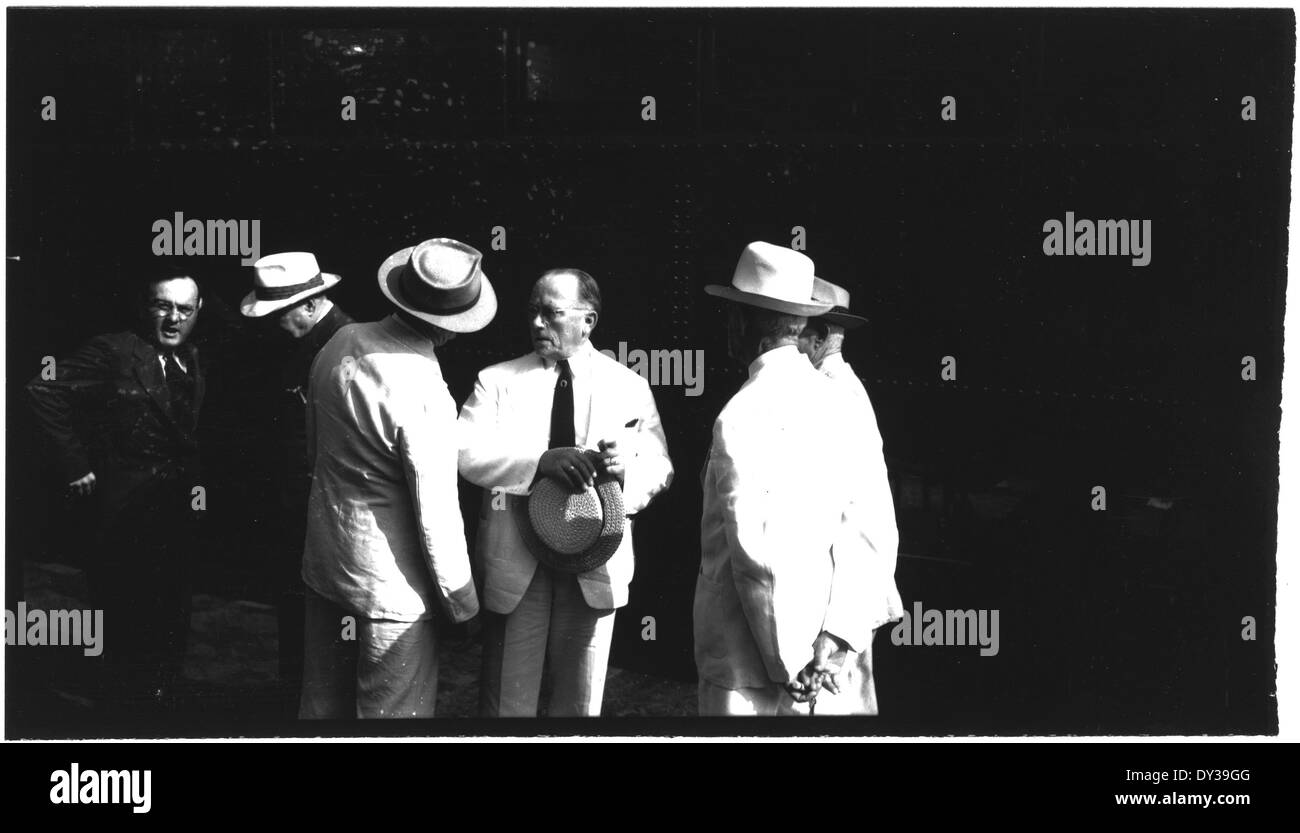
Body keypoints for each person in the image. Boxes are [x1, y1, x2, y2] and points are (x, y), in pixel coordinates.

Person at [458, 268, 674, 717]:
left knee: (580, 703)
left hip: (595, 558)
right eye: (532, 312)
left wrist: (626, 469)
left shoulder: (629, 385)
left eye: (551, 313)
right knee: (505, 705)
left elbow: (660, 467)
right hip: (518, 563)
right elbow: (463, 451)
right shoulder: (496, 380)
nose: (537, 323)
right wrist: (537, 462)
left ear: (588, 320)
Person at [298, 237, 492, 719]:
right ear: (448, 326)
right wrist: (464, 606)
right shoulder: (424, 389)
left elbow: (314, 450)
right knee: (392, 721)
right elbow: (437, 517)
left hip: (327, 564)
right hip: (392, 593)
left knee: (321, 708)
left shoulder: (340, 341)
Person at [695, 241, 882, 716]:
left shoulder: (741, 415)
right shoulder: (842, 402)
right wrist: (836, 637)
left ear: (739, 322)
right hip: (826, 660)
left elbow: (757, 557)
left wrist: (794, 663)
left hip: (756, 673)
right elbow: (870, 528)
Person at [25, 269, 207, 712]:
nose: (173, 318)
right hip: (124, 507)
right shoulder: (113, 351)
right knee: (125, 604)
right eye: (162, 306)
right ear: (146, 308)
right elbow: (42, 390)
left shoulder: (193, 357)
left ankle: (162, 692)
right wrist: (76, 466)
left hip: (174, 506)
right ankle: (121, 704)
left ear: (198, 312)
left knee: (171, 602)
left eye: (184, 309)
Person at [240, 251, 354, 714]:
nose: (271, 325)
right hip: (296, 508)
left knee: (333, 631)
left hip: (334, 513)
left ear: (311, 303)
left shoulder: (349, 348)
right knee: (299, 621)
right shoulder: (298, 342)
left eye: (278, 314)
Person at [794, 276, 905, 715]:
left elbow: (871, 526)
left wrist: (839, 634)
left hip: (833, 625)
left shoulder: (837, 398)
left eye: (794, 332)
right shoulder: (819, 391)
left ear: (819, 337)